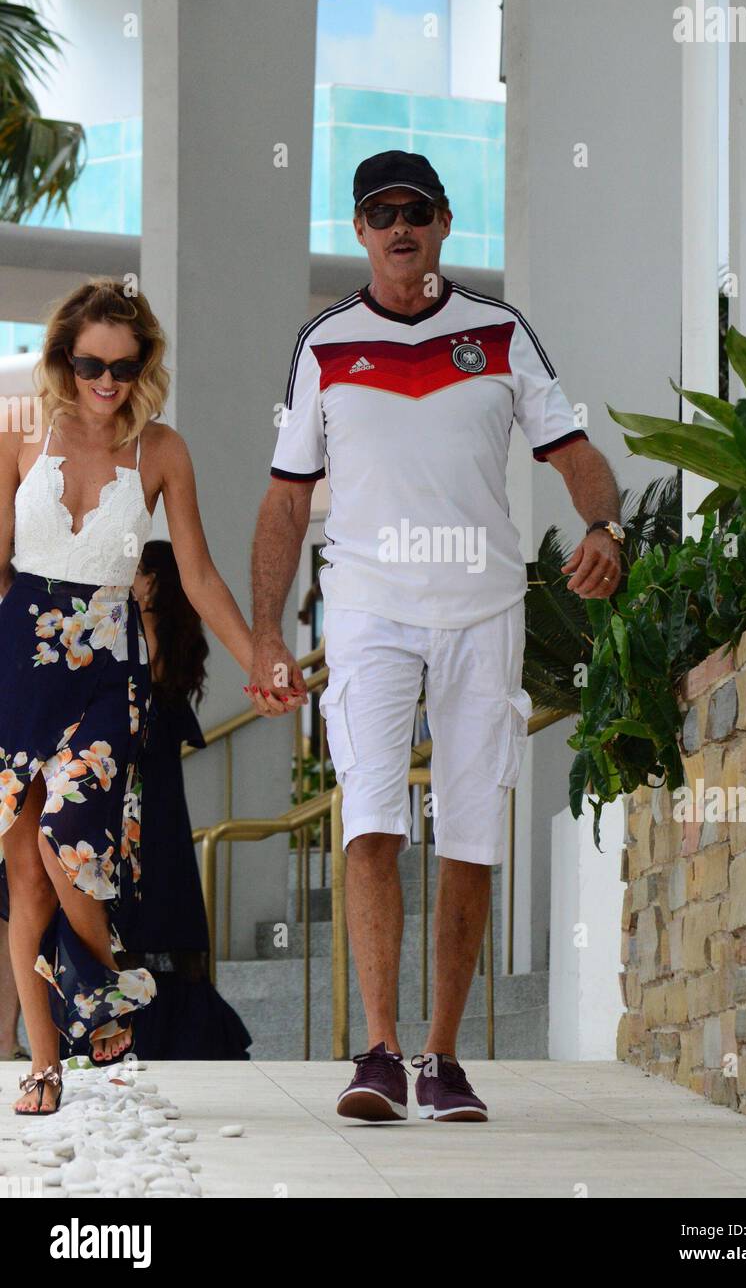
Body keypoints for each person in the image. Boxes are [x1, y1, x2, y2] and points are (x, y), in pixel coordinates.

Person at [248, 150, 624, 1123]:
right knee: (371, 820)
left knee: (467, 834)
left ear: (446, 222)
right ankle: (377, 1051)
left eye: (416, 210)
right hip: (368, 610)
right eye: (381, 213)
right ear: (362, 230)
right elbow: (288, 501)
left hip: (483, 609)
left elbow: (573, 450)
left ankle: (443, 1059)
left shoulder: (497, 332)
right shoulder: (325, 342)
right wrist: (265, 633)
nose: (400, 226)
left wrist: (604, 527)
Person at [0, 279, 253, 1113]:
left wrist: (260, 656)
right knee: (25, 878)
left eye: (124, 365)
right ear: (61, 361)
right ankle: (44, 1060)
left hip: (109, 665)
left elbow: (199, 573)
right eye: (89, 365)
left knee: (71, 835)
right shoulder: (17, 430)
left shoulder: (162, 450)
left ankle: (103, 986)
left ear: (143, 365)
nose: (106, 381)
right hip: (16, 660)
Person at [115, 540, 251, 1060]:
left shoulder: (152, 636)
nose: (129, 577)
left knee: (148, 902)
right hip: (145, 793)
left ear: (153, 581)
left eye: (138, 571)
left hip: (148, 795)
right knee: (150, 899)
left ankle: (144, 1031)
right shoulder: (152, 635)